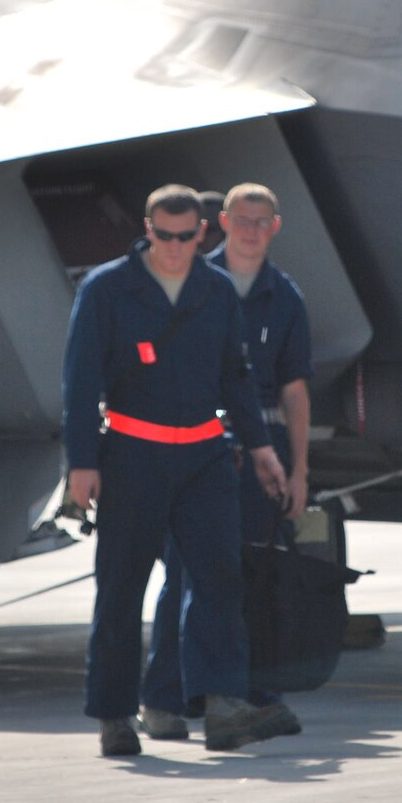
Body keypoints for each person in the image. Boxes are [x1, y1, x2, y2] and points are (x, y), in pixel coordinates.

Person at [62, 184, 298, 757]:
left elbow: (236, 377)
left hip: (204, 456)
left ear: (201, 234)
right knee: (122, 587)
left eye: (185, 237)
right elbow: (80, 382)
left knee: (219, 580)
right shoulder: (107, 289)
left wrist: (262, 448)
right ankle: (115, 714)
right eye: (162, 236)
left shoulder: (214, 290)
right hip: (132, 456)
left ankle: (221, 707)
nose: (172, 247)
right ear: (146, 228)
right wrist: (82, 465)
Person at [140, 183, 314, 739]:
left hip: (263, 443)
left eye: (263, 221)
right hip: (194, 440)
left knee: (250, 574)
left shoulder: (284, 297)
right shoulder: (190, 281)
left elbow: (294, 390)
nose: (252, 230)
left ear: (276, 227)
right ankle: (164, 699)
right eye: (243, 219)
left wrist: (301, 470)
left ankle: (242, 693)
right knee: (186, 573)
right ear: (224, 221)